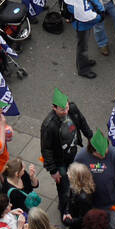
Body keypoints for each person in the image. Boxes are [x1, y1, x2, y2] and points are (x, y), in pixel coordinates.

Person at [40, 88, 93, 216]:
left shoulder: (72, 109)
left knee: (76, 181)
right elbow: (46, 149)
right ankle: (64, 211)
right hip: (60, 161)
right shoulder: (49, 125)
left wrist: (91, 138)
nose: (66, 111)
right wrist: (53, 170)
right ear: (54, 108)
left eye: (67, 107)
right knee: (64, 187)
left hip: (73, 153)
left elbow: (82, 123)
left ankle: (73, 203)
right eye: (62, 109)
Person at [72, 129, 115, 211]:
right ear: (92, 151)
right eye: (102, 153)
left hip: (112, 204)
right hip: (93, 205)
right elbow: (73, 178)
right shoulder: (81, 157)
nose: (105, 154)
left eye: (106, 150)